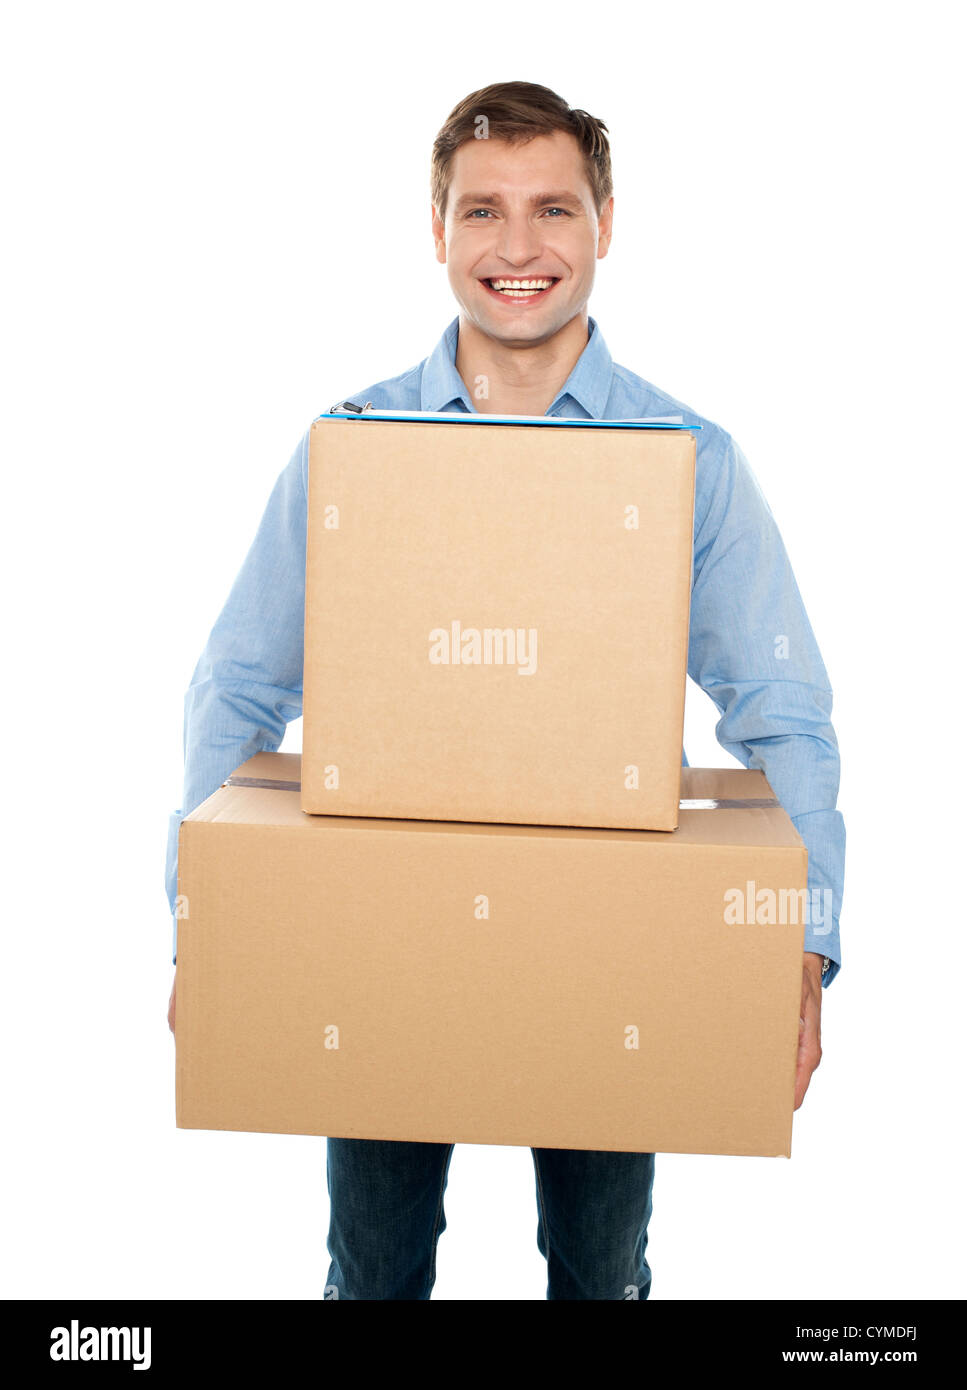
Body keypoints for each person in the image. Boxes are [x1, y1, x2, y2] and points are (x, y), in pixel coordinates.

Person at [165, 81, 846, 1300]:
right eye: (482, 211)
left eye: (553, 210)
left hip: (611, 933)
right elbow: (237, 684)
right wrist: (205, 910)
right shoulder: (352, 444)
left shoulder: (687, 461)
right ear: (436, 229)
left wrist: (800, 941)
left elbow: (782, 712)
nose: (518, 248)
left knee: (598, 1274)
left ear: (604, 224)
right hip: (380, 920)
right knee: (372, 1276)